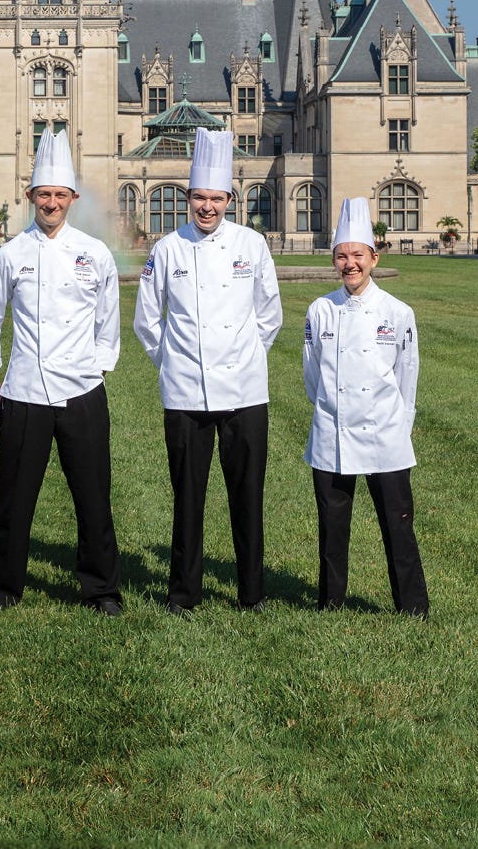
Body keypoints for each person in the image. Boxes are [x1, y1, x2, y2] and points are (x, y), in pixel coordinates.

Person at [0, 128, 123, 615]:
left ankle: (101, 590)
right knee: (13, 499)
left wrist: (95, 375)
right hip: (24, 393)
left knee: (93, 498)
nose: (51, 203)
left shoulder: (95, 253)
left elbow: (108, 326)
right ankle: (1, 588)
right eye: (44, 194)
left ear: (72, 198)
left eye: (60, 195)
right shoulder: (11, 254)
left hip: (83, 393)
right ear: (30, 195)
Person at [133, 127, 282, 614]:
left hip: (245, 391)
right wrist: (174, 362)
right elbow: (146, 321)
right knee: (187, 498)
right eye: (199, 197)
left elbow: (269, 315)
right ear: (188, 198)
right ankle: (184, 593)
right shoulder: (167, 249)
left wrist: (246, 355)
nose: (207, 207)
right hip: (184, 394)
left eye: (216, 199)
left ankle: (252, 594)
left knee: (248, 497)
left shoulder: (252, 245)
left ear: (229, 201)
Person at [302, 198, 428, 615]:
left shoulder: (398, 312)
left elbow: (407, 376)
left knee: (398, 525)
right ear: (333, 261)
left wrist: (399, 426)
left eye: (358, 255)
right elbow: (312, 375)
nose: (350, 264)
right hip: (332, 432)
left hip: (385, 435)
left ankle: (412, 607)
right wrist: (331, 410)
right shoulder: (320, 310)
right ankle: (331, 603)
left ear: (374, 258)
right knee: (331, 527)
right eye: (342, 256)